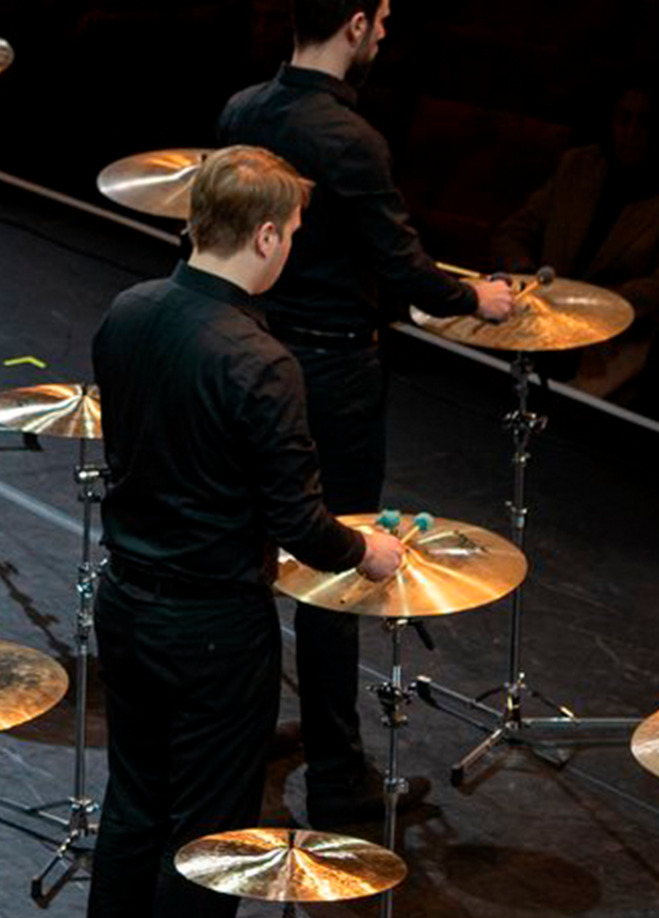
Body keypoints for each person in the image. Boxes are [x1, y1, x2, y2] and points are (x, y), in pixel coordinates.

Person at [78, 146, 404, 918]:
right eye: (292, 234)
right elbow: (299, 527)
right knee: (208, 839)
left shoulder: (128, 312)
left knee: (134, 817)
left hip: (129, 607)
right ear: (264, 234)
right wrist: (368, 552)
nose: (293, 248)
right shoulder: (262, 362)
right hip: (214, 626)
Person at [217, 0, 515, 828]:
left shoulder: (244, 110)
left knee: (255, 544)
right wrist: (475, 298)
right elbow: (403, 267)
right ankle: (341, 786)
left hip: (252, 345)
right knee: (340, 562)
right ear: (355, 24)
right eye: (382, 18)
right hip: (334, 369)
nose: (386, 34)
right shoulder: (353, 140)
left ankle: (252, 736)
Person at [492, 86, 659, 407]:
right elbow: (516, 230)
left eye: (643, 123)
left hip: (611, 352)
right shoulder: (580, 166)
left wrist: (591, 306)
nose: (631, 133)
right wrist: (526, 278)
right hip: (538, 325)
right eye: (623, 119)